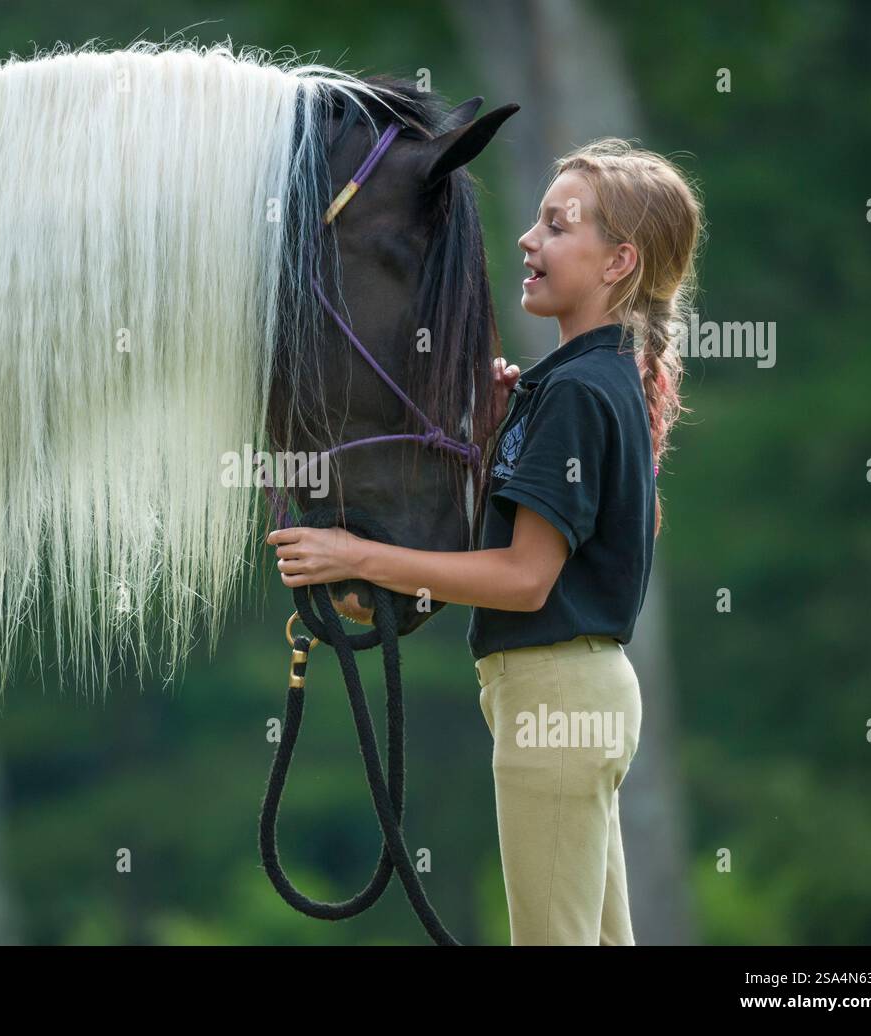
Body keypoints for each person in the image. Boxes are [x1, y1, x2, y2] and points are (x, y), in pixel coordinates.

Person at [266, 138, 704, 945]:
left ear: (618, 262)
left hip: (553, 698)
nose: (528, 241)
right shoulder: (582, 382)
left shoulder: (576, 390)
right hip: (575, 692)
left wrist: (354, 555)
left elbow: (527, 578)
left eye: (556, 226)